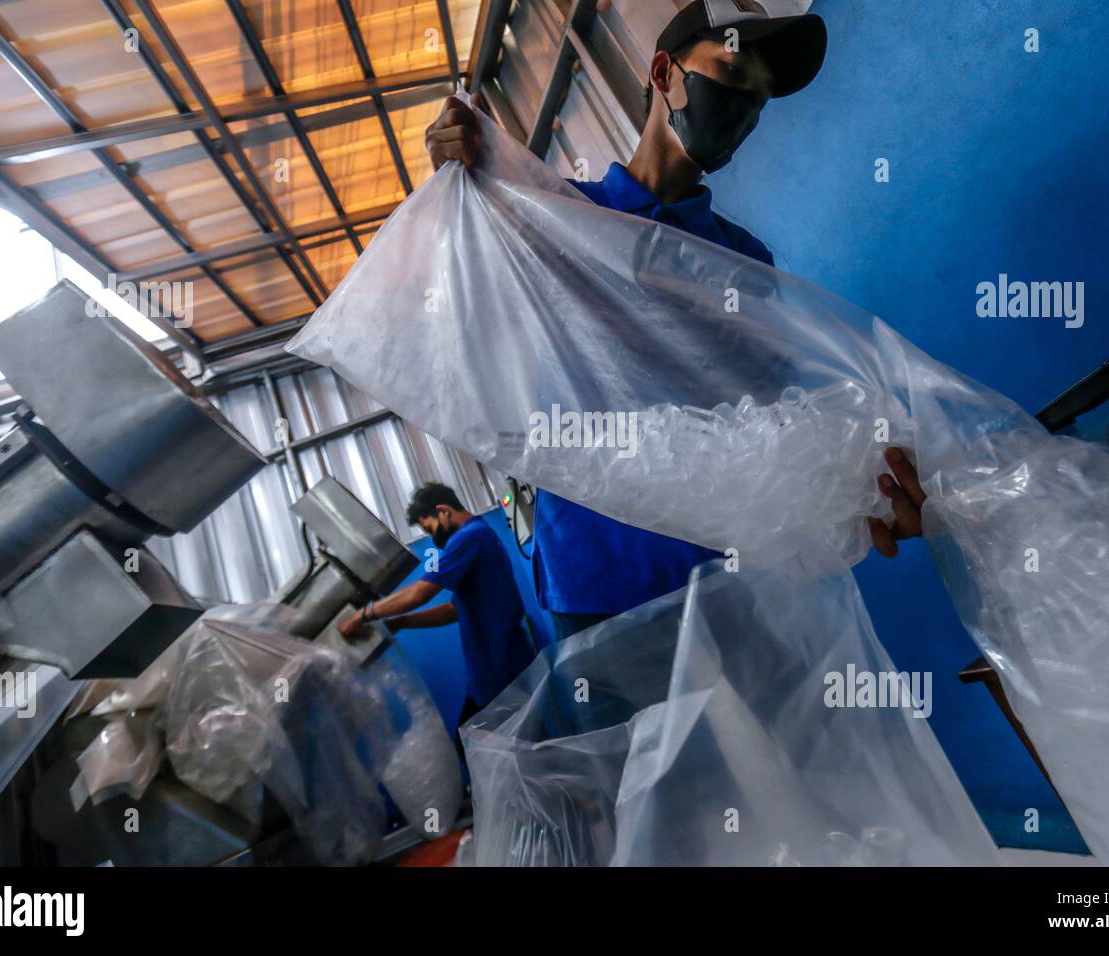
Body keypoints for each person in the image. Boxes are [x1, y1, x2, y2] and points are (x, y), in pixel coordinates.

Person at [424, 1, 926, 641]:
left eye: (760, 99)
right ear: (664, 73)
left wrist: (862, 492)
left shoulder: (743, 261)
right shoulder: (557, 222)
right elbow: (464, 314)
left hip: (733, 576)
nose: (744, 107)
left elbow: (779, 422)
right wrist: (455, 183)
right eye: (733, 72)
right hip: (603, 585)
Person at [339, 482, 536, 726]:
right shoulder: (481, 534)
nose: (433, 538)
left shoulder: (467, 537)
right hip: (496, 668)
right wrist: (402, 622)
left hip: (501, 668)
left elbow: (420, 592)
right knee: (492, 749)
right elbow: (454, 610)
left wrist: (364, 614)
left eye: (430, 528)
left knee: (487, 751)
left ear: (443, 511)